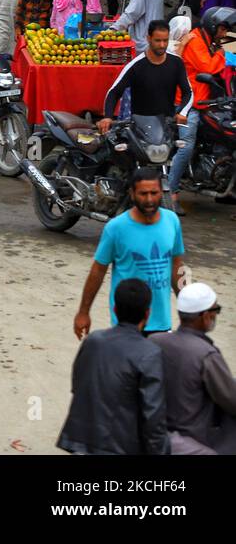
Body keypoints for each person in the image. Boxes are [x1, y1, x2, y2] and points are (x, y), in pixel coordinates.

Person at [57, 277, 168, 455]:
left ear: (115, 310)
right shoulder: (150, 353)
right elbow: (153, 415)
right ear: (147, 314)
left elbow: (77, 385)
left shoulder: (93, 340)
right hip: (118, 447)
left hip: (80, 441)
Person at [74, 169, 185, 339]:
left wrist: (187, 307)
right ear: (132, 194)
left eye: (154, 193)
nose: (149, 199)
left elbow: (176, 265)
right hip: (127, 324)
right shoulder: (116, 228)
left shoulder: (172, 221)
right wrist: (83, 312)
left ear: (161, 192)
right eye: (143, 193)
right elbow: (98, 271)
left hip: (162, 322)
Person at [152, 282, 236, 454]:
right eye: (216, 311)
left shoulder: (155, 341)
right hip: (192, 436)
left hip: (157, 427)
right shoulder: (206, 354)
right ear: (205, 316)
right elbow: (231, 399)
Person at [168, 7, 234, 204]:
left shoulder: (209, 42)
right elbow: (209, 67)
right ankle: (171, 193)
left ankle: (226, 187)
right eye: (222, 30)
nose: (224, 34)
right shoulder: (196, 41)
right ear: (213, 26)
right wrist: (222, 53)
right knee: (186, 146)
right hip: (188, 104)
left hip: (207, 102)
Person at [100, 20, 192, 132]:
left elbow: (188, 92)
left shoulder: (176, 62)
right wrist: (108, 117)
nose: (162, 45)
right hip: (140, 130)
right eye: (157, 41)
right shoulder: (135, 66)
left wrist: (182, 113)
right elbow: (114, 92)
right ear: (148, 38)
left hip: (166, 129)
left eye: (165, 40)